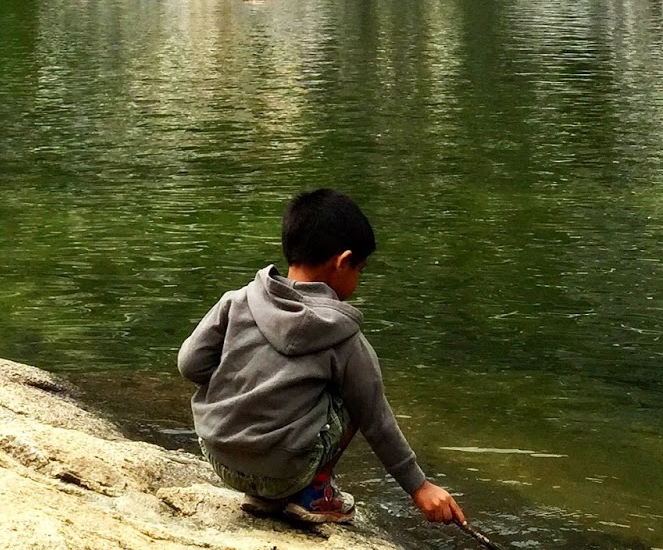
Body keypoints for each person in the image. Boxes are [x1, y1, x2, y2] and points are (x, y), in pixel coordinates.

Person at [178, 188, 466, 526]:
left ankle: (263, 496)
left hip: (218, 457)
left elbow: (189, 363)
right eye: (359, 268)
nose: (358, 278)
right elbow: (376, 420)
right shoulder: (343, 336)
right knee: (357, 395)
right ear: (342, 262)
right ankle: (313, 492)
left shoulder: (237, 300)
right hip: (284, 473)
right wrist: (419, 486)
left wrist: (243, 385)